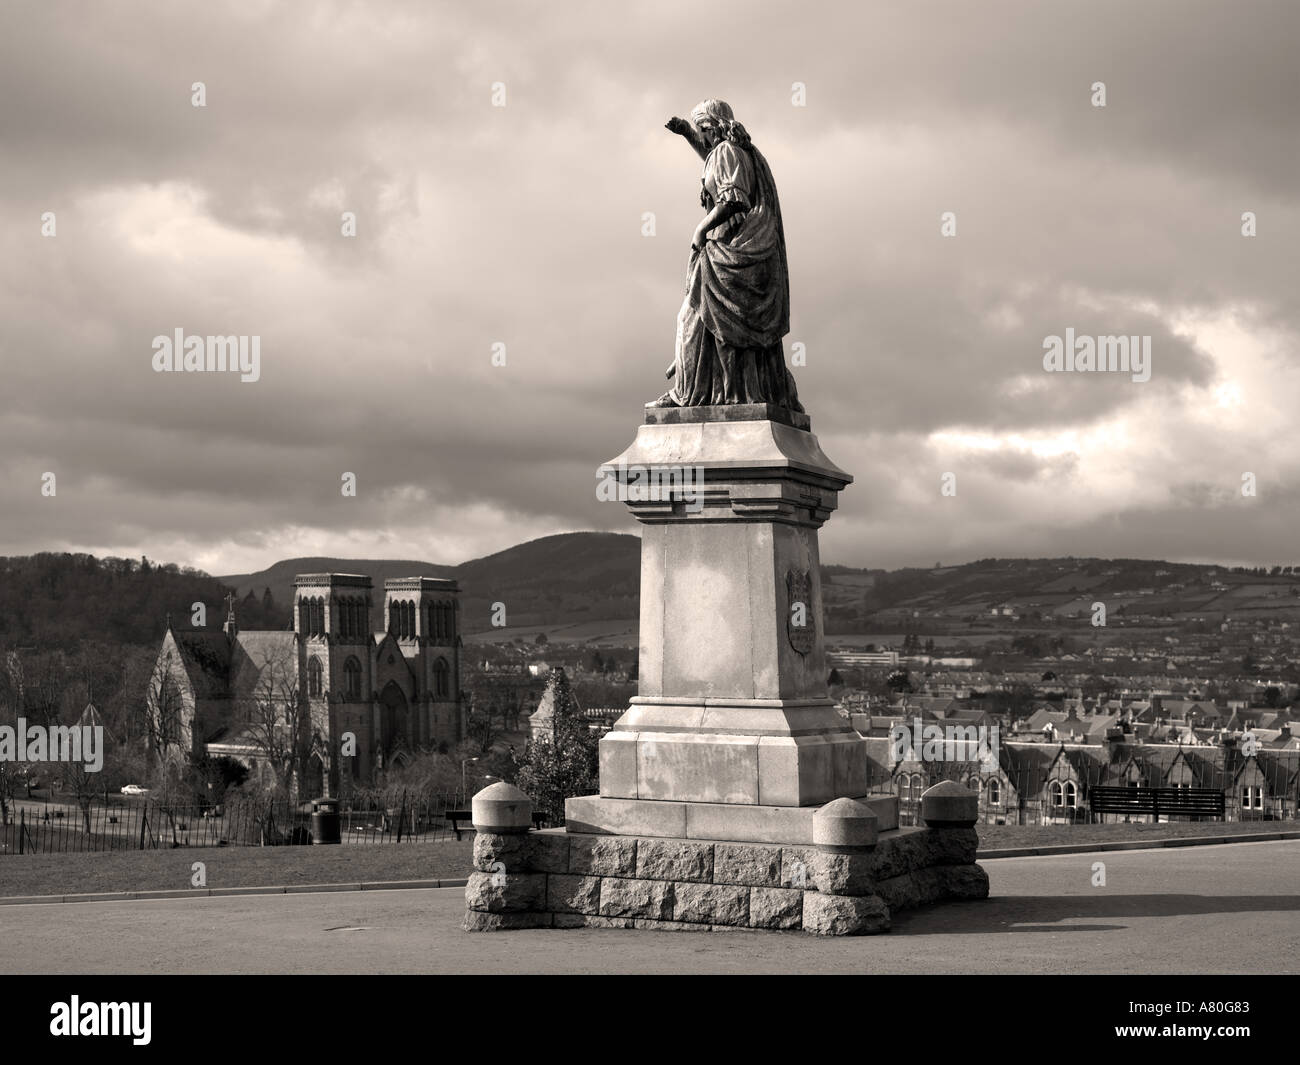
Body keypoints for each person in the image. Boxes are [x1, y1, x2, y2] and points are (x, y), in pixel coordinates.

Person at [653, 99, 803, 412]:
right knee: (713, 327)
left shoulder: (727, 152)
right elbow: (714, 164)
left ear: (714, 125)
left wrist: (700, 230)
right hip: (741, 246)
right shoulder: (737, 151)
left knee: (691, 320)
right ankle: (712, 388)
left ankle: (686, 392)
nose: (702, 135)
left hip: (728, 247)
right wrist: (686, 135)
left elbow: (733, 198)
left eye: (702, 128)